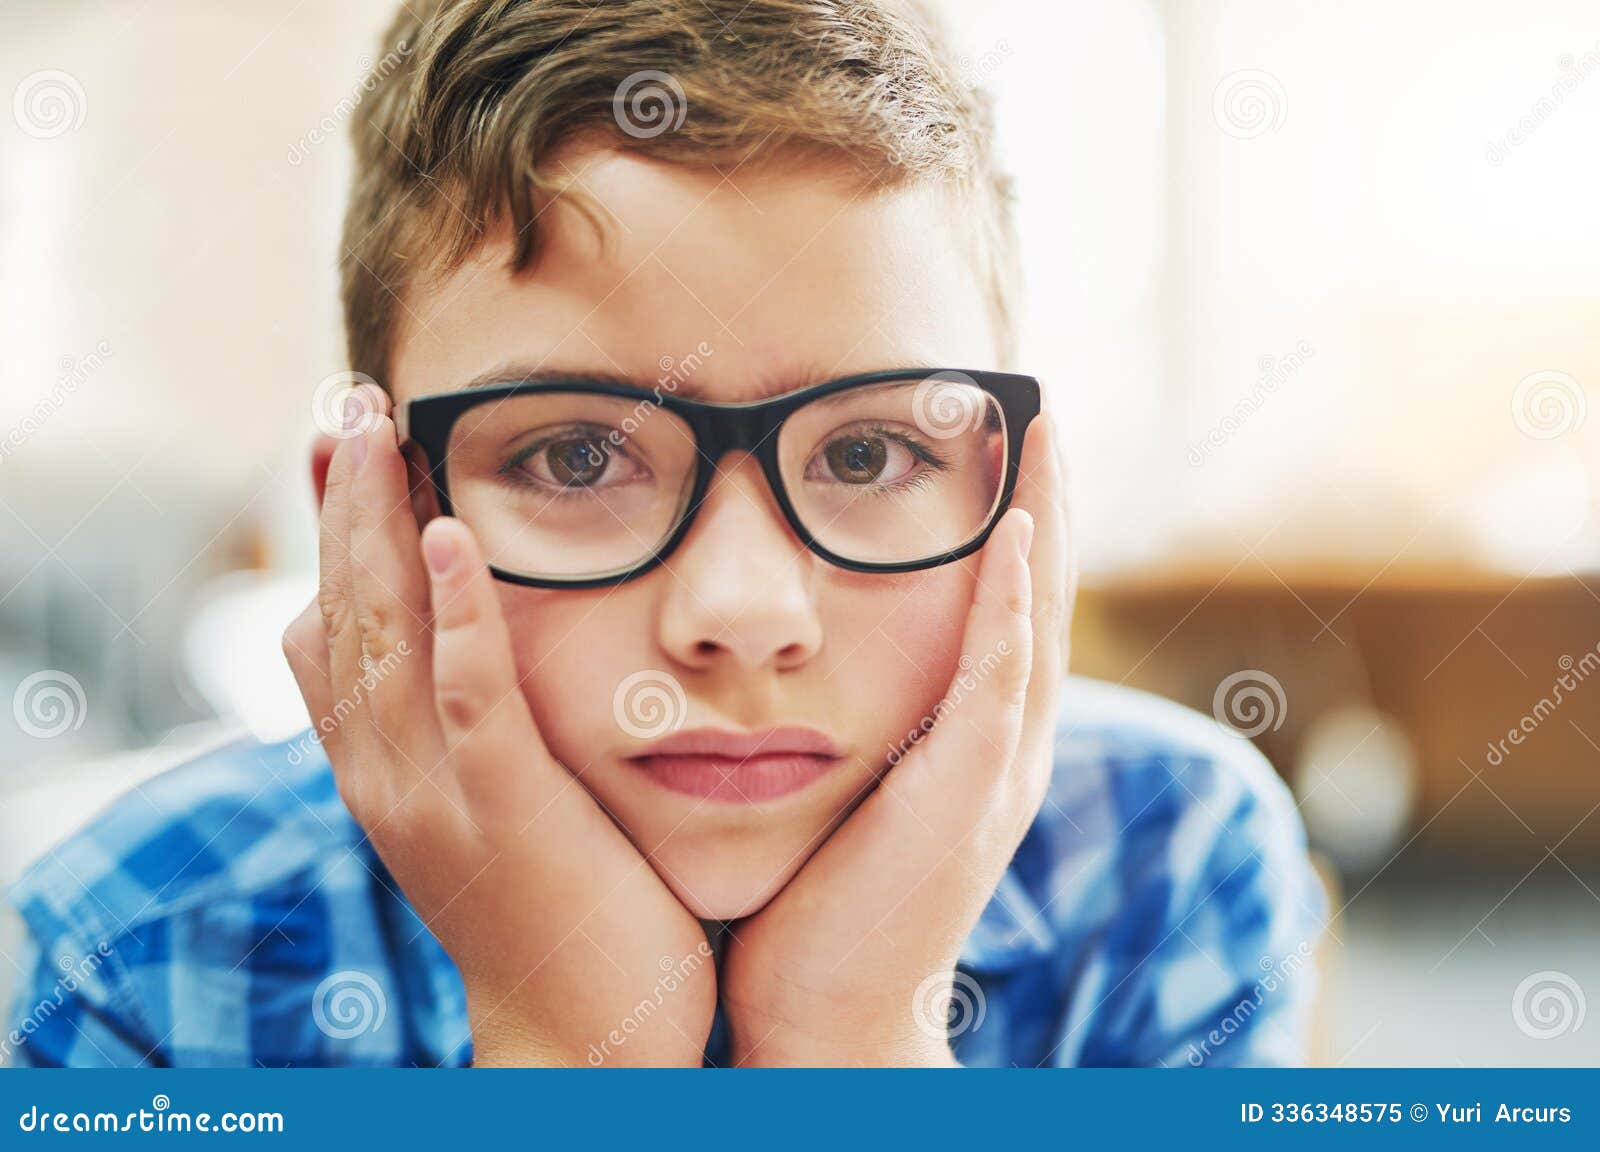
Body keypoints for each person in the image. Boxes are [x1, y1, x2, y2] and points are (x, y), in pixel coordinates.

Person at [5, 0, 1323, 1068]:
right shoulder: (136, 958)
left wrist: (853, 1040)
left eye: (868, 453)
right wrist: (573, 1058)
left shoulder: (1168, 863)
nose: (746, 610)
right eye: (576, 455)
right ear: (374, 523)